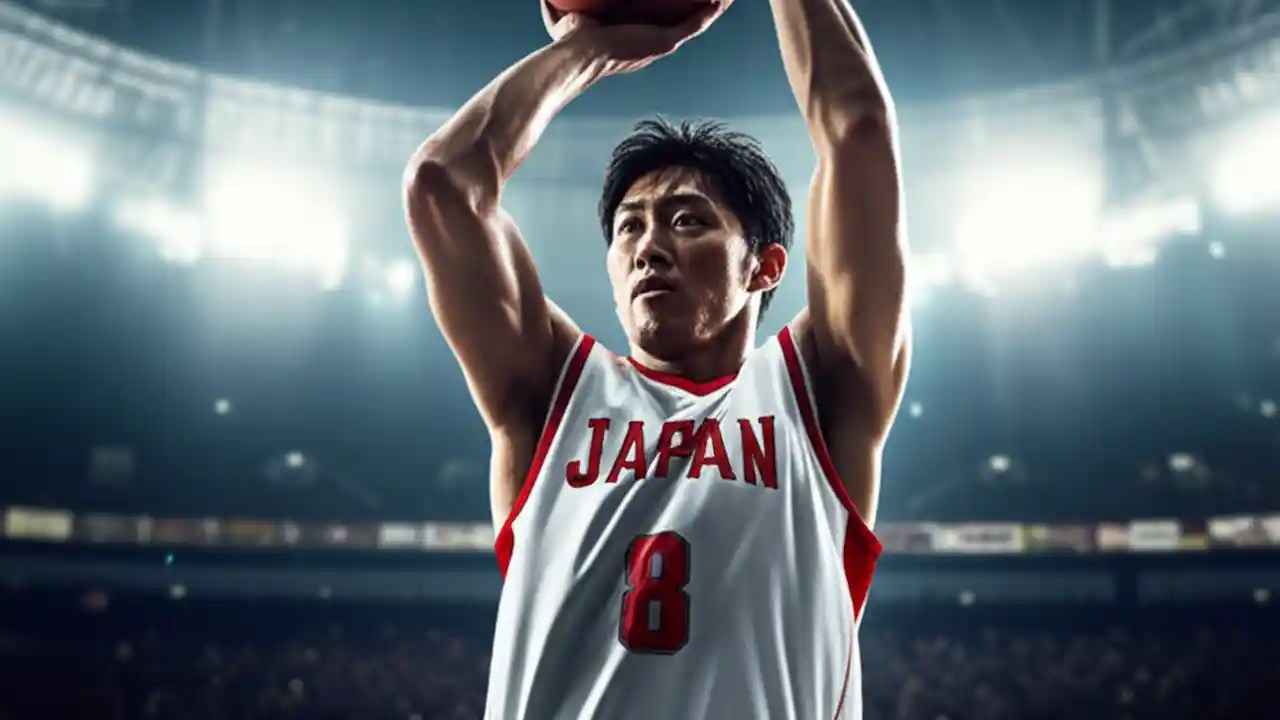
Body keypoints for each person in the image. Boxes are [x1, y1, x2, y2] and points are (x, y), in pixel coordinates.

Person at [402, 0, 910, 716]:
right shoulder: (552, 391)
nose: (649, 245)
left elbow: (858, 132)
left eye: (687, 220)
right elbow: (442, 185)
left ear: (764, 268)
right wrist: (589, 50)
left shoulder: (821, 389)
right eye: (629, 227)